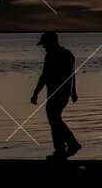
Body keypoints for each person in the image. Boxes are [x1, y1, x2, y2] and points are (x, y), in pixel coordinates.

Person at [30, 30, 81, 160]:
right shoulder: (67, 54)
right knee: (54, 118)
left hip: (57, 93)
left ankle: (69, 144)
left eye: (45, 44)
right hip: (59, 93)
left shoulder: (54, 55)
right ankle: (60, 148)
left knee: (54, 118)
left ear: (51, 43)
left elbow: (45, 76)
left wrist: (35, 93)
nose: (43, 47)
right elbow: (72, 75)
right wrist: (73, 92)